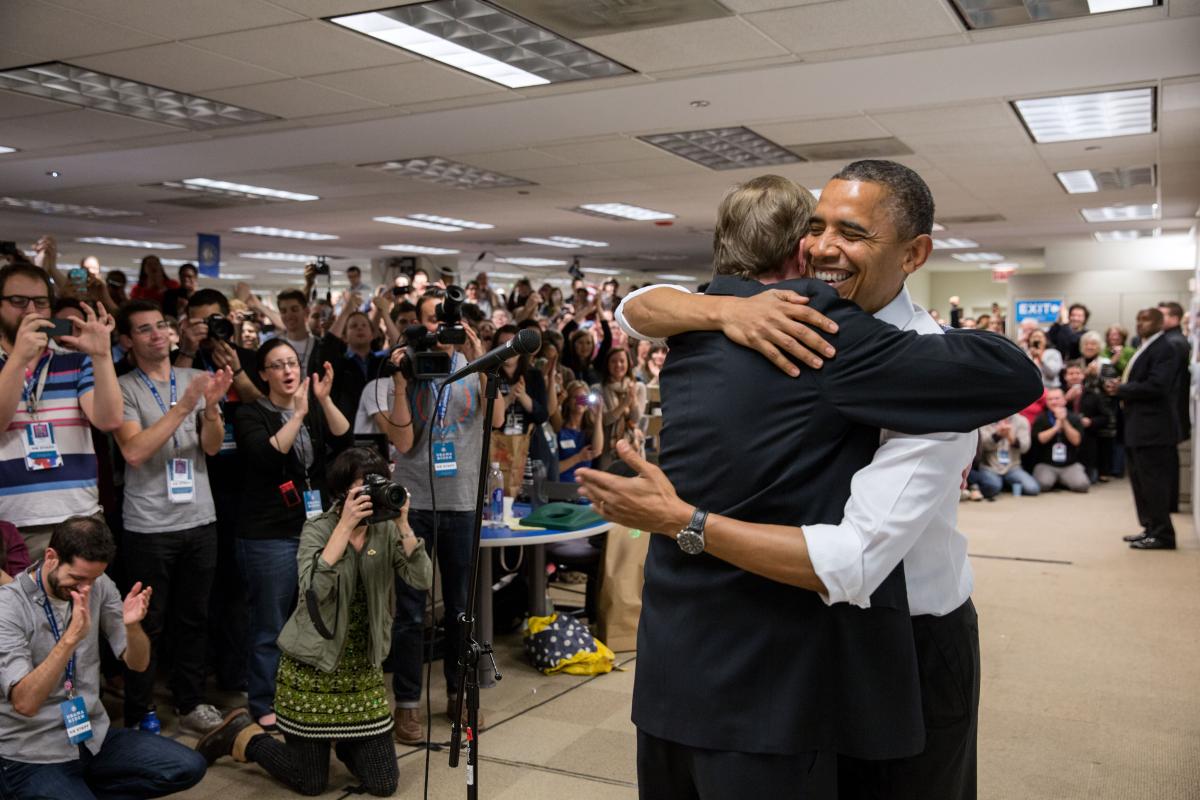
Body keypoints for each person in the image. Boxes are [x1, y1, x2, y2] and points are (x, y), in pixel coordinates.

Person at [592, 167, 1042, 799]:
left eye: (851, 234)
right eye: (815, 227)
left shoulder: (933, 367)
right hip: (806, 636)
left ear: (913, 254)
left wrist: (682, 521)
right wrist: (725, 308)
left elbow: (854, 558)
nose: (824, 248)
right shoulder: (761, 324)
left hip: (910, 635)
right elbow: (635, 308)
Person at [196, 447, 431, 796]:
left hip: (362, 672)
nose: (373, 493)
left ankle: (348, 743)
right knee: (310, 782)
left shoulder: (386, 530)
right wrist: (345, 526)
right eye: (364, 486)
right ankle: (243, 736)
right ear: (342, 491)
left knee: (383, 783)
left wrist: (403, 523)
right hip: (312, 669)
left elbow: (421, 579)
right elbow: (313, 592)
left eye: (380, 483)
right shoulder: (317, 528)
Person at [0, 515, 207, 799]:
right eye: (76, 578)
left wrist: (132, 627)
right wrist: (70, 639)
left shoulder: (98, 583)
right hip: (32, 751)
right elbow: (25, 703)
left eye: (93, 579)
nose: (85, 588)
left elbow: (138, 663)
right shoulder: (8, 606)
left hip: (90, 737)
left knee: (188, 766)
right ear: (51, 557)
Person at [385, 292, 503, 745]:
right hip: (413, 506)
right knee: (410, 612)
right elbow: (403, 442)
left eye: (446, 319)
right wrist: (400, 382)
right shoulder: (410, 366)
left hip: (461, 502)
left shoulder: (475, 369)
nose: (440, 327)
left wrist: (481, 356)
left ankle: (459, 694)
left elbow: (496, 418)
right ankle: (407, 704)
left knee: (459, 610)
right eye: (431, 319)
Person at [113, 301, 233, 735]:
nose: (157, 334)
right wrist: (184, 406)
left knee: (194, 618)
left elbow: (212, 447)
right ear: (127, 340)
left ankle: (191, 702)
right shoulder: (123, 387)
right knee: (148, 623)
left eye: (161, 325)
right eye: (144, 329)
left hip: (199, 518)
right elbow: (134, 450)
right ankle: (139, 709)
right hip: (149, 525)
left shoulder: (194, 378)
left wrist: (212, 409)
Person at [234, 339, 351, 729]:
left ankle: (303, 691)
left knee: (314, 616)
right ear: (263, 374)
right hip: (268, 533)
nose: (288, 371)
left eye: (292, 363)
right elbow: (266, 458)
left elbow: (343, 438)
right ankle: (263, 700)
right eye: (277, 365)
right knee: (270, 622)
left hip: (313, 528)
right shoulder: (250, 413)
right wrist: (298, 414)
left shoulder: (312, 407)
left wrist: (323, 400)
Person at [0, 261, 123, 562]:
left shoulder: (74, 361)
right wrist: (18, 359)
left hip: (79, 517)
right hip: (11, 522)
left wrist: (101, 356)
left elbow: (109, 420)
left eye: (41, 303)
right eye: (18, 301)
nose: (31, 311)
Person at [1106, 308, 1181, 550]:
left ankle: (1163, 534)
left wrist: (1122, 389)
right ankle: (1150, 528)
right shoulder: (1145, 346)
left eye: (1146, 320)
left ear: (1160, 323)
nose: (1140, 324)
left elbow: (1158, 385)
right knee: (1141, 482)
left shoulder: (1165, 347)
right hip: (1138, 426)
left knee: (1154, 483)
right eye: (1138, 319)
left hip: (1154, 428)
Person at [1158, 301, 1190, 510]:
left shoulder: (1173, 343)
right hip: (1173, 409)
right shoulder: (1173, 340)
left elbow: (1165, 382)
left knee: (1166, 459)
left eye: (1162, 315)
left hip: (1170, 410)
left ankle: (1168, 503)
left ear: (1175, 318)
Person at [592, 347, 645, 470]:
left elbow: (636, 419)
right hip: (607, 448)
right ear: (607, 364)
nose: (618, 365)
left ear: (628, 363)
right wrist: (625, 403)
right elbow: (606, 420)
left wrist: (633, 399)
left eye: (622, 361)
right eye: (613, 361)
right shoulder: (597, 389)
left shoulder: (639, 387)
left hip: (633, 445)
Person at [1029, 388, 1090, 493]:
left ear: (1064, 400)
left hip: (1069, 465)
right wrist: (1055, 428)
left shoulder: (1074, 417)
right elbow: (1039, 440)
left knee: (1082, 486)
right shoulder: (1041, 418)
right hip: (1046, 464)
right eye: (1050, 399)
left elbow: (1076, 441)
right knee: (1043, 485)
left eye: (1057, 398)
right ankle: (1057, 480)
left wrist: (1064, 421)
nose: (1053, 402)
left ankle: (1062, 480)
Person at [974, 413, 1038, 498]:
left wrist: (1013, 440)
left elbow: (1025, 448)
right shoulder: (985, 419)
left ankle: (1006, 484)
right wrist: (997, 436)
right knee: (993, 487)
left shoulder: (1021, 420)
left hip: (1013, 467)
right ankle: (977, 487)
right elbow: (981, 447)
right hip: (990, 466)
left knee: (1032, 488)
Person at [556, 381, 604, 483]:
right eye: (575, 397)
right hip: (561, 486)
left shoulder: (589, 429)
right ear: (568, 401)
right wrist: (579, 458)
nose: (579, 401)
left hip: (583, 486)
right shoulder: (559, 428)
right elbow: (553, 469)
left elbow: (597, 451)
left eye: (583, 398)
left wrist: (598, 416)